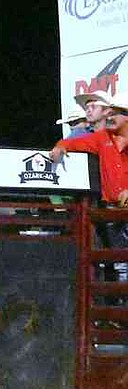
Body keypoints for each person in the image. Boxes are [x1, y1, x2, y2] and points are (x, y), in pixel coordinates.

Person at [50, 91, 128, 285]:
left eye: (115, 112)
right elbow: (70, 143)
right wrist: (60, 147)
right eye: (109, 111)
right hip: (113, 211)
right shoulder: (102, 138)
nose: (109, 116)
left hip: (117, 211)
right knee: (118, 264)